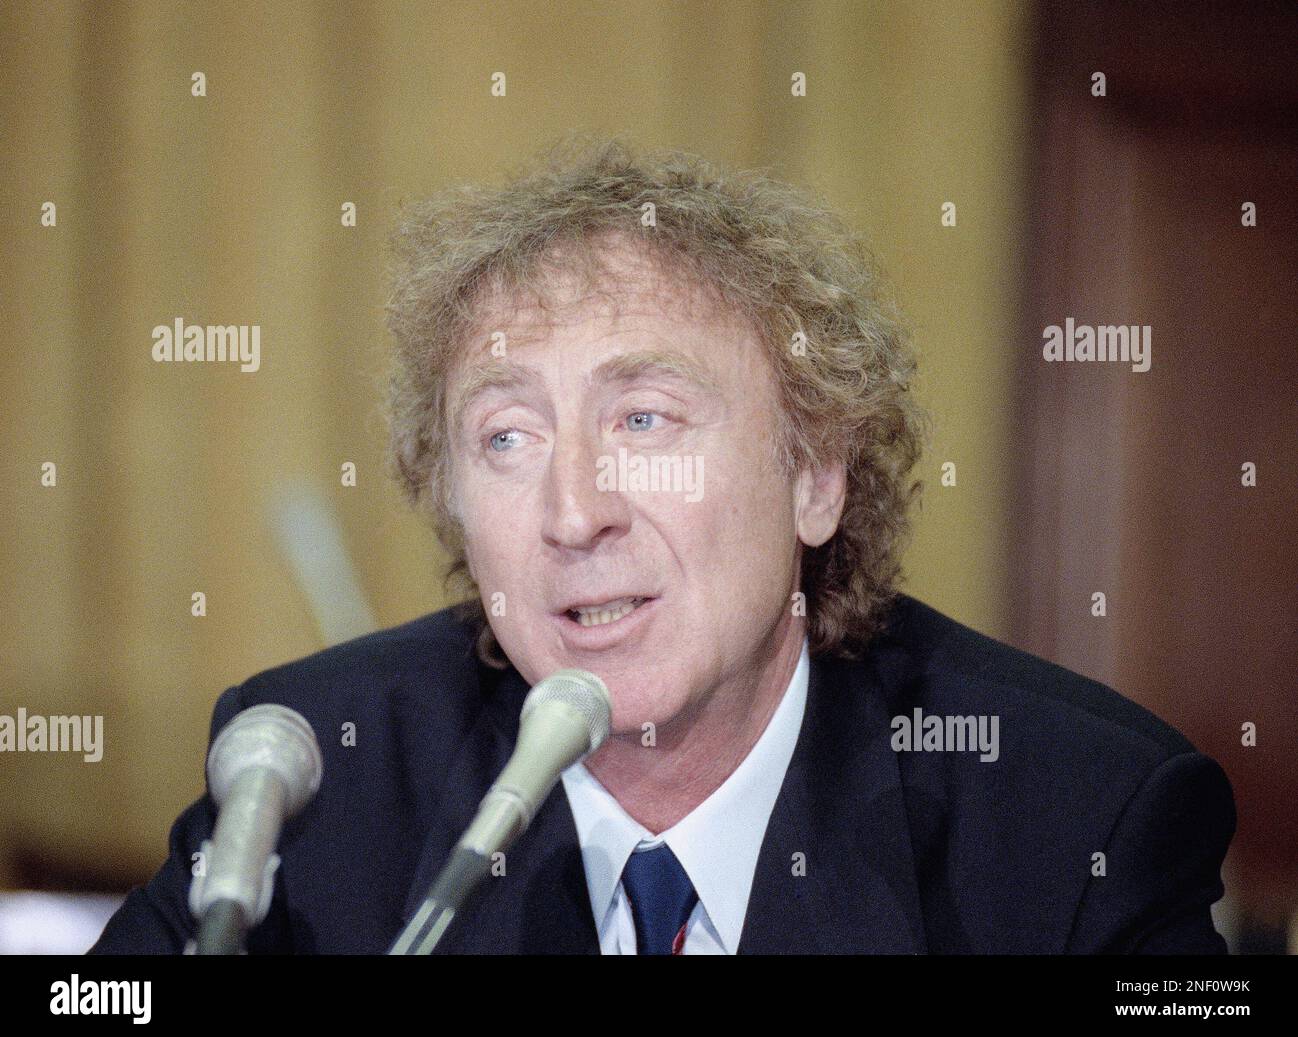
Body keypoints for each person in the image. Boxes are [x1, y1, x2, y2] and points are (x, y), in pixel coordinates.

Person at [90, 136, 1235, 954]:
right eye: (506, 436)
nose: (573, 509)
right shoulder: (316, 777)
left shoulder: (1075, 822)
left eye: (644, 420)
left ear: (814, 475)